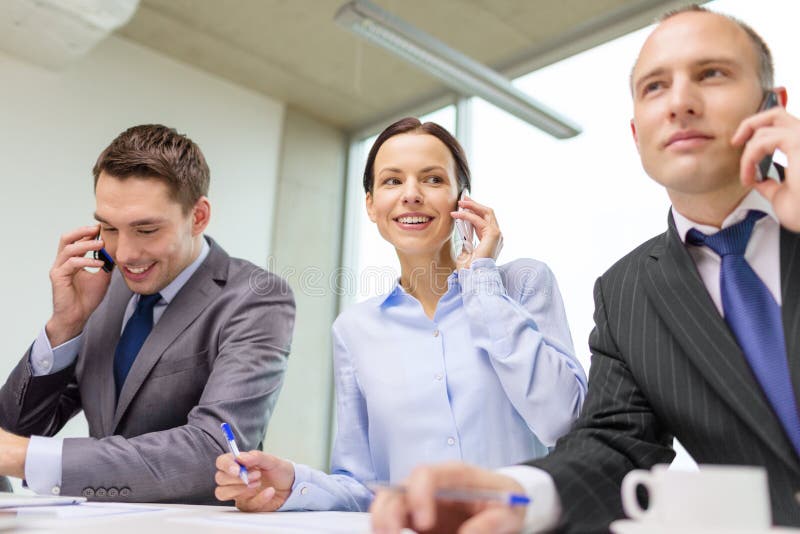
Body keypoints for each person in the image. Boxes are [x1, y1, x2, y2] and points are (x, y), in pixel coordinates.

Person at [370, 6, 800, 533]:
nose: (680, 103)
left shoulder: (524, 282)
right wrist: (517, 493)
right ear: (637, 132)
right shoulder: (628, 292)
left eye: (711, 74)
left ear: (772, 106)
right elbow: (615, 446)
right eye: (655, 87)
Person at [213, 118, 587, 513]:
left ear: (462, 201)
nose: (411, 195)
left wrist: (482, 283)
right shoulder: (354, 330)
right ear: (371, 205)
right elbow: (363, 487)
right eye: (392, 181)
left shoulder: (524, 284)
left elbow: (564, 420)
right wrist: (294, 484)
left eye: (432, 179)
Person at [0, 124, 295, 504]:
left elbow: (215, 450)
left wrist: (26, 458)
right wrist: (66, 325)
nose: (124, 254)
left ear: (199, 216)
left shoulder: (256, 298)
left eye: (146, 230)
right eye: (109, 228)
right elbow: (13, 431)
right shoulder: (102, 287)